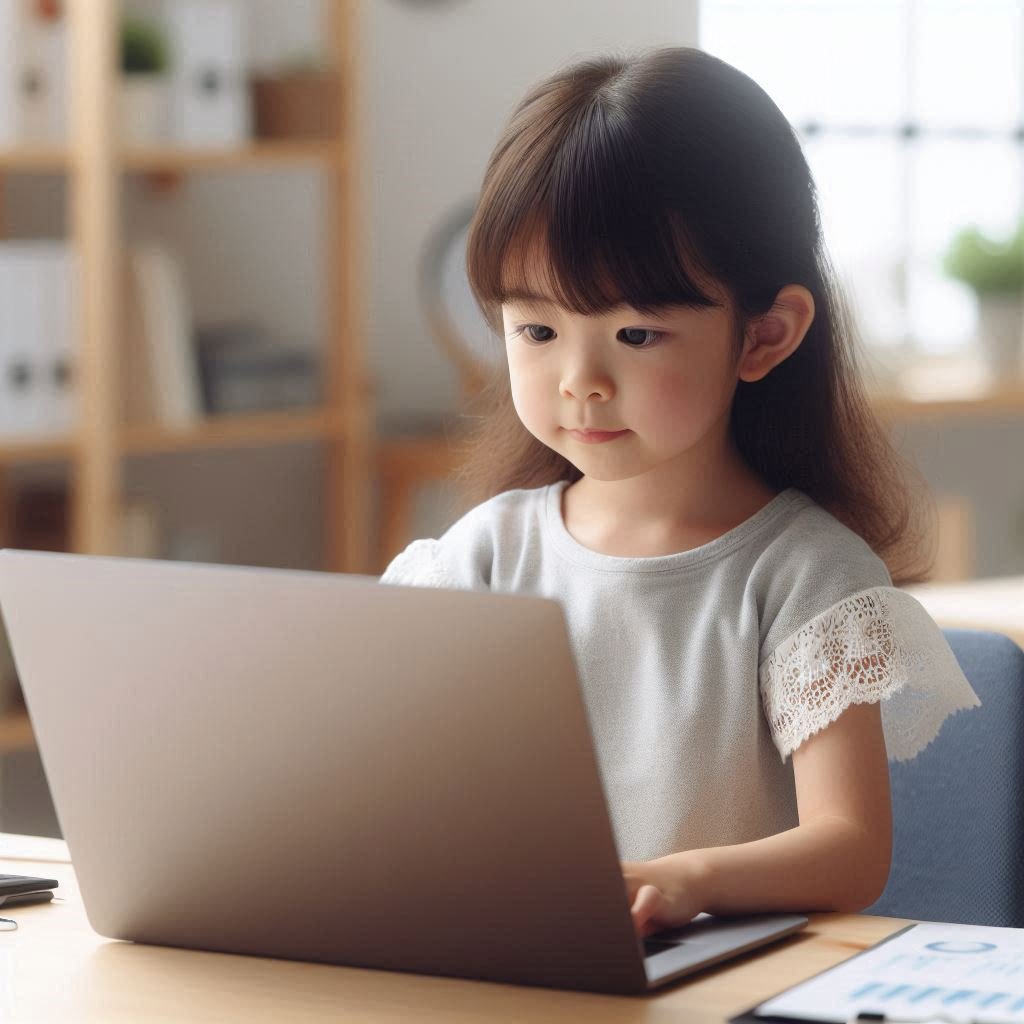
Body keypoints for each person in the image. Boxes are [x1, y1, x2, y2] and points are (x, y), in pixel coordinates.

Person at [379, 46, 981, 939]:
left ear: (764, 336)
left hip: (710, 979)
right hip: (518, 964)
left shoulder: (804, 573)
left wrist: (684, 879)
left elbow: (851, 849)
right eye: (536, 329)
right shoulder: (481, 554)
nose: (579, 379)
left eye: (636, 333)